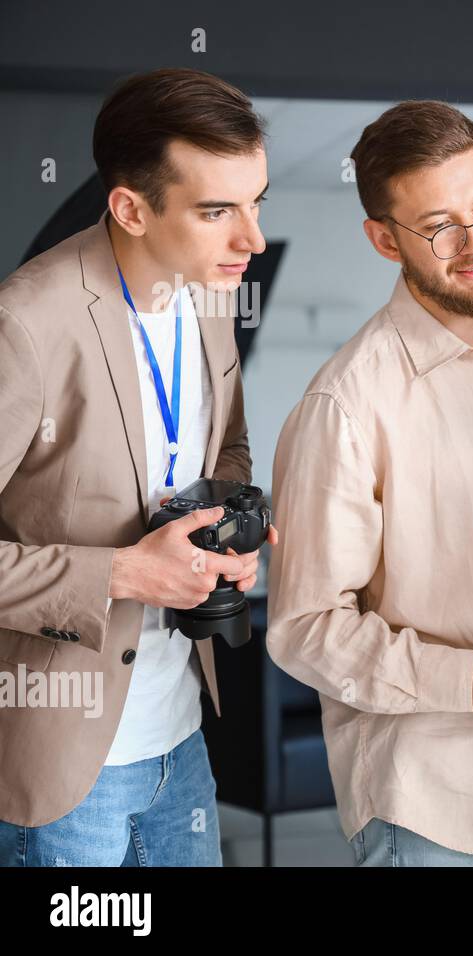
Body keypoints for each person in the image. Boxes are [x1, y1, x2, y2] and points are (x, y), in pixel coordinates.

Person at [267, 100, 473, 867]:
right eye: (438, 226)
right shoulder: (346, 403)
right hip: (429, 808)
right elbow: (305, 626)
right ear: (384, 239)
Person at [0, 68, 272, 866]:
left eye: (257, 203)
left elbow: (228, 451)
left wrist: (230, 530)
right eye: (217, 211)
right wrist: (122, 574)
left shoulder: (212, 296)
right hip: (63, 765)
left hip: (181, 738)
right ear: (130, 208)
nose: (250, 239)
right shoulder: (25, 325)